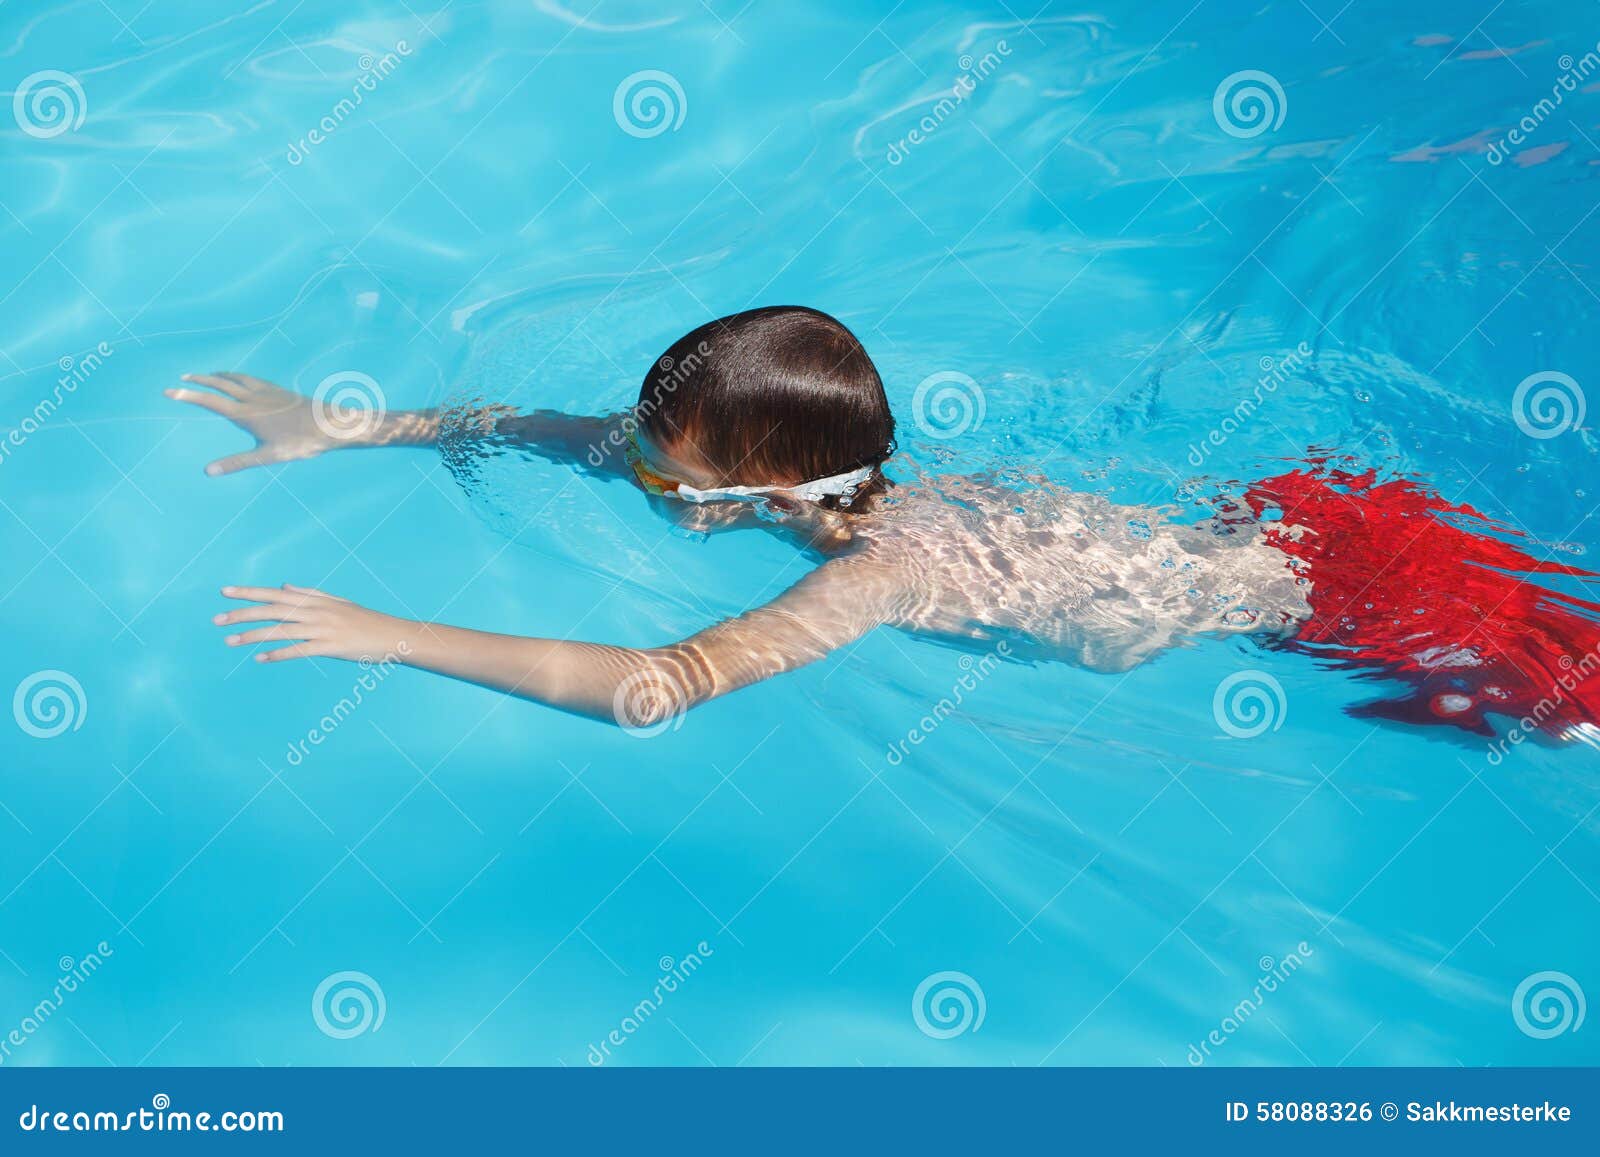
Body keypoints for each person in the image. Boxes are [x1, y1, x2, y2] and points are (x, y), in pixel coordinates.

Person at [167, 306, 1600, 743]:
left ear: (772, 492)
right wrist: (349, 426)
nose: (640, 481)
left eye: (668, 480)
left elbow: (650, 691)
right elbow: (554, 434)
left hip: (1374, 608)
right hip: (1293, 524)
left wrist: (388, 631)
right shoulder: (803, 487)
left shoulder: (883, 573)